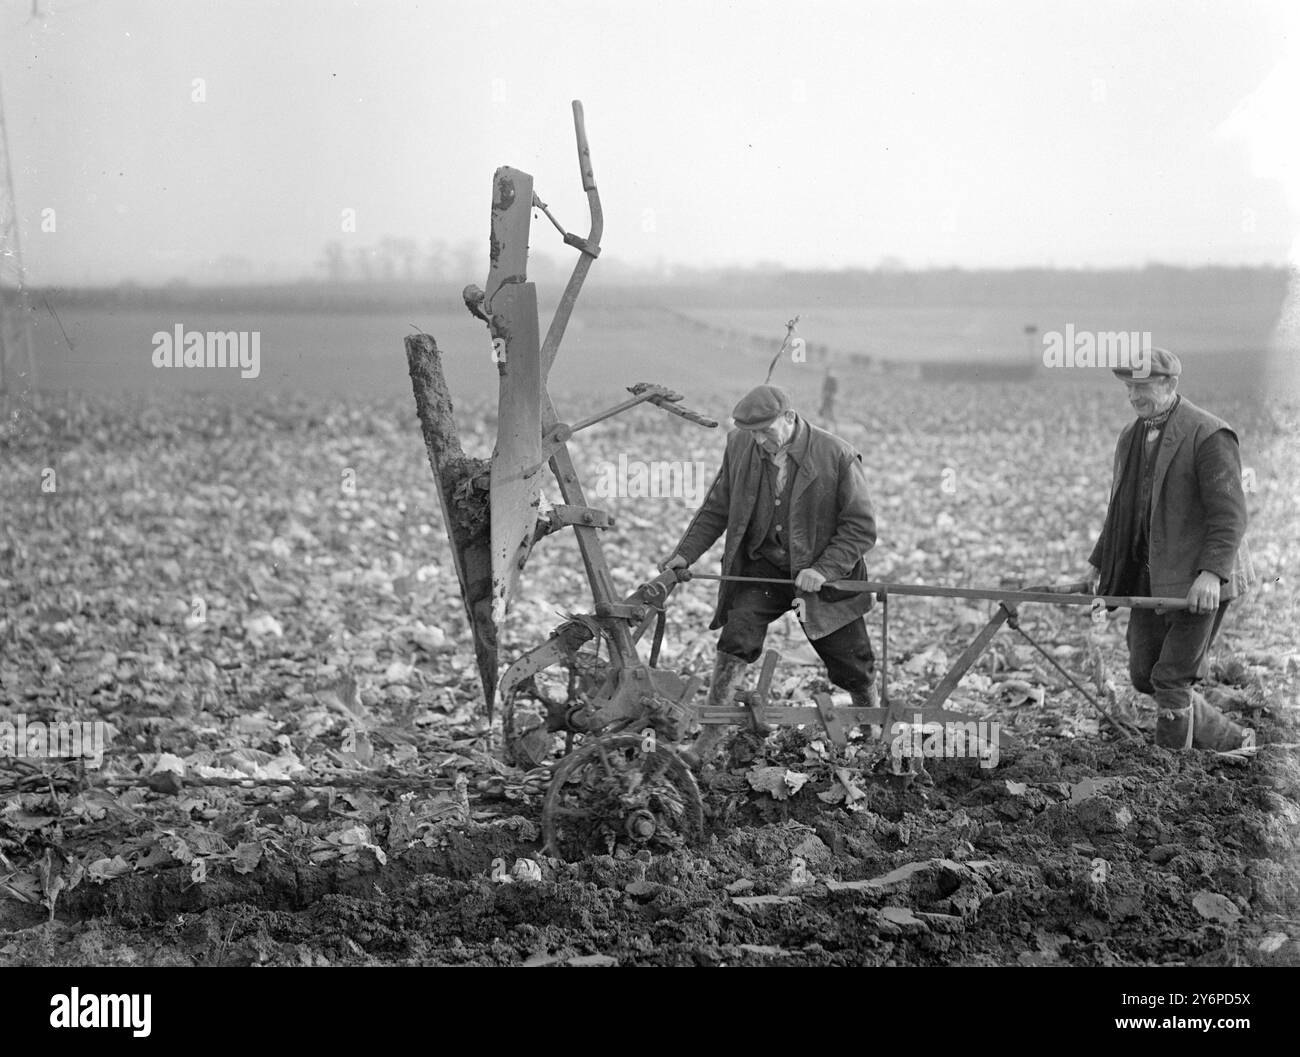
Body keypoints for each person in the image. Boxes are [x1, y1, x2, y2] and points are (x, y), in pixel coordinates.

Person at [661, 384, 878, 766]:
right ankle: (706, 744)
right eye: (752, 433)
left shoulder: (837, 455)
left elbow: (859, 528)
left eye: (766, 431)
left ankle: (871, 730)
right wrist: (684, 555)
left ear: (790, 418)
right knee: (736, 638)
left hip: (821, 576)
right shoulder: (740, 445)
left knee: (851, 662)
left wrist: (823, 569)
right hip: (763, 569)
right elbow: (716, 508)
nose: (760, 441)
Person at [1087, 348, 1254, 751]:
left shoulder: (1209, 435)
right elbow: (1121, 513)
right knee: (1145, 673)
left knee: (1172, 677)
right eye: (1129, 387)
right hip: (1153, 576)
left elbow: (1229, 515)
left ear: (1170, 384)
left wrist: (1212, 574)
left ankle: (1168, 771)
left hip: (1202, 577)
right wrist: (1098, 568)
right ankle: (1230, 739)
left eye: (1142, 386)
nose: (1133, 396)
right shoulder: (1131, 436)